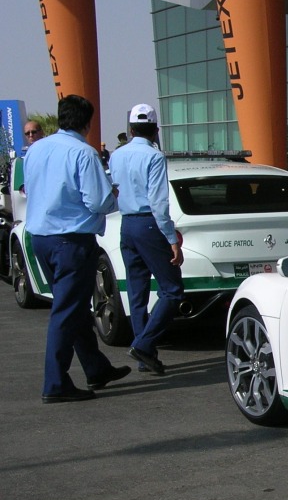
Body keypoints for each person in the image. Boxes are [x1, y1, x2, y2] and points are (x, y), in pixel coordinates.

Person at [23, 94, 129, 403]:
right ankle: (55, 383)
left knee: (73, 305)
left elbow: (30, 189)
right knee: (66, 313)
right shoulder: (83, 153)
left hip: (41, 237)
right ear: (87, 123)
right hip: (71, 241)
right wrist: (114, 195)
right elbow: (97, 201)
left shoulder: (37, 149)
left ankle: (96, 368)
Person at [108, 103, 184, 376]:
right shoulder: (154, 156)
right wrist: (171, 238)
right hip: (149, 225)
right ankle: (143, 345)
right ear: (155, 131)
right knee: (172, 290)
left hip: (126, 224)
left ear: (130, 129)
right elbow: (158, 202)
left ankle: (145, 355)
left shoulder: (117, 156)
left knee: (136, 293)